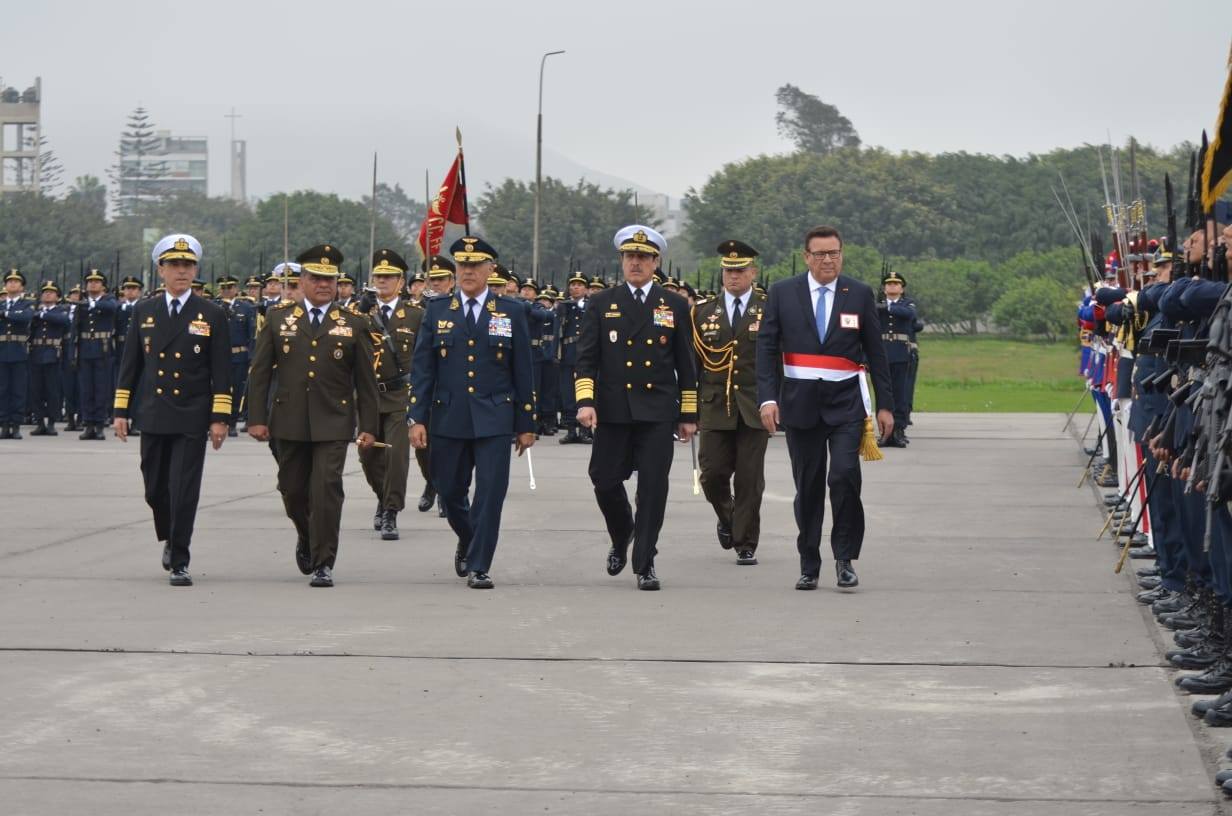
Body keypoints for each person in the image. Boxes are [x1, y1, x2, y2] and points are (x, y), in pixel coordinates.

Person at [757, 225, 893, 591]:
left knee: (844, 477)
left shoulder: (859, 294)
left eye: (834, 253)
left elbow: (877, 355)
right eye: (820, 254)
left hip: (846, 405)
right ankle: (809, 562)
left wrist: (886, 406)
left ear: (841, 254)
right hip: (800, 407)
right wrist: (767, 398)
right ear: (806, 257)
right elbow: (767, 349)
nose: (828, 260)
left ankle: (844, 558)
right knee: (809, 485)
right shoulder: (784, 293)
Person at [247, 244, 379, 588]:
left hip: (334, 421)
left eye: (329, 279)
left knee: (326, 490)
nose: (323, 284)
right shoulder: (278, 318)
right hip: (288, 420)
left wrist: (369, 426)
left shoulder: (353, 323)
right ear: (302, 280)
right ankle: (306, 536)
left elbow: (366, 381)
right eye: (315, 278)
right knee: (292, 490)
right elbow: (259, 373)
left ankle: (324, 561)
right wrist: (256, 417)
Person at [409, 236, 537, 589]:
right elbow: (423, 369)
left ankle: (480, 564)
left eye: (475, 265)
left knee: (490, 495)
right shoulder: (437, 311)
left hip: (496, 416)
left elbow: (523, 369)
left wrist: (526, 423)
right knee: (449, 491)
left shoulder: (511, 311)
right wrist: (416, 416)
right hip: (448, 416)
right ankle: (468, 537)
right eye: (462, 265)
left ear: (490, 269)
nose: (468, 271)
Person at [575, 225, 698, 591]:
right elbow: (585, 359)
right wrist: (585, 401)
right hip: (613, 409)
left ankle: (645, 561)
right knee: (604, 480)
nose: (636, 263)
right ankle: (622, 534)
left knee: (653, 488)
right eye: (630, 257)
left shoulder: (674, 305)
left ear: (656, 262)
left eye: (643, 257)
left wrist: (688, 414)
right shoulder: (602, 302)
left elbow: (687, 364)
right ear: (622, 261)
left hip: (657, 410)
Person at [112, 234, 233, 587]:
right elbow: (130, 364)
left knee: (183, 489)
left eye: (188, 265)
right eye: (174, 265)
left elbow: (222, 370)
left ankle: (180, 555)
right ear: (161, 270)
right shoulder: (143, 311)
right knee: (154, 489)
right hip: (153, 412)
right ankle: (169, 533)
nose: (181, 271)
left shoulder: (211, 313)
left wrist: (219, 417)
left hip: (192, 414)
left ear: (195, 270)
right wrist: (121, 409)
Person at [692, 240, 770, 566]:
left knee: (750, 479)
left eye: (739, 270)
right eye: (728, 270)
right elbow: (694, 364)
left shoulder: (769, 308)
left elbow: (776, 359)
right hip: (714, 405)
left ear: (753, 272)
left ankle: (745, 542)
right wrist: (687, 408)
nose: (733, 276)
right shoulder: (704, 311)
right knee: (711, 475)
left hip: (754, 405)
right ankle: (728, 518)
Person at [356, 249, 423, 540]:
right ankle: (383, 498)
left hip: (400, 395)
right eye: (378, 276)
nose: (382, 281)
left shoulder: (416, 315)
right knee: (368, 454)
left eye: (389, 277)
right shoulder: (360, 313)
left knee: (396, 456)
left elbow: (425, 361)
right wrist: (359, 313)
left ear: (401, 282)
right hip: (368, 396)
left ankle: (391, 511)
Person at [876, 268, 919, 447]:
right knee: (883, 393)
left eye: (896, 284)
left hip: (901, 353)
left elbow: (910, 315)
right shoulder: (876, 305)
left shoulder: (907, 304)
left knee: (900, 393)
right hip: (882, 352)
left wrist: (888, 307)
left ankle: (899, 430)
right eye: (889, 284)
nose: (892, 286)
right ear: (884, 288)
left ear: (902, 289)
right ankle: (884, 432)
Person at [74, 268, 118, 440]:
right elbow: (75, 329)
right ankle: (88, 423)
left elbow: (112, 307)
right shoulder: (81, 304)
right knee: (86, 390)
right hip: (85, 349)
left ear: (103, 286)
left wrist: (92, 304)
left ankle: (99, 424)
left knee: (101, 389)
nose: (93, 284)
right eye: (90, 282)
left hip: (103, 349)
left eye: (97, 282)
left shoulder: (108, 300)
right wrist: (73, 354)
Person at [28, 281, 71, 436]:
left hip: (54, 354)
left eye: (51, 292)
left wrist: (43, 314)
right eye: (45, 292)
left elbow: (64, 321)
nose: (47, 294)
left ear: (58, 297)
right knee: (36, 390)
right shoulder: (34, 312)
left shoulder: (62, 311)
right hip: (36, 353)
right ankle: (40, 422)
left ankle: (52, 422)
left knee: (52, 391)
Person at [215, 274, 256, 435]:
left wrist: (251, 357)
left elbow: (250, 335)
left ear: (236, 289)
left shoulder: (245, 308)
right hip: (219, 356)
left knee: (237, 390)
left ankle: (231, 422)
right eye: (223, 288)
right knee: (219, 389)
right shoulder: (214, 306)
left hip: (239, 356)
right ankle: (220, 420)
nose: (226, 291)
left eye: (229, 287)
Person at [556, 271, 590, 444]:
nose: (575, 287)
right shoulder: (564, 306)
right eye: (573, 285)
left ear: (586, 288)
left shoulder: (591, 305)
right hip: (568, 353)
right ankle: (571, 429)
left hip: (586, 355)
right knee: (568, 392)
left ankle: (585, 430)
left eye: (579, 285)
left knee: (585, 392)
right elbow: (558, 331)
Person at [0, 270, 34, 439]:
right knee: (3, 390)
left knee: (18, 390)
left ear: (22, 287)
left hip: (19, 352)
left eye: (16, 282)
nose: (12, 284)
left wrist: (6, 314)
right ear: (5, 285)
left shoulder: (26, 305)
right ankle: (4, 424)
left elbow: (26, 317)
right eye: (9, 281)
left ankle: (16, 424)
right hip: (2, 352)